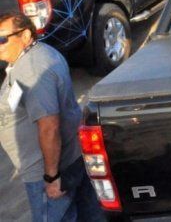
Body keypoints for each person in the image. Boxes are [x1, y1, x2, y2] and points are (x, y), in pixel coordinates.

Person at [0, 12, 104, 221]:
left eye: (2, 39)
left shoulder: (31, 69)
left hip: (49, 170)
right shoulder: (33, 57)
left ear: (26, 35)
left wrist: (51, 177)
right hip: (70, 157)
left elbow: (49, 127)